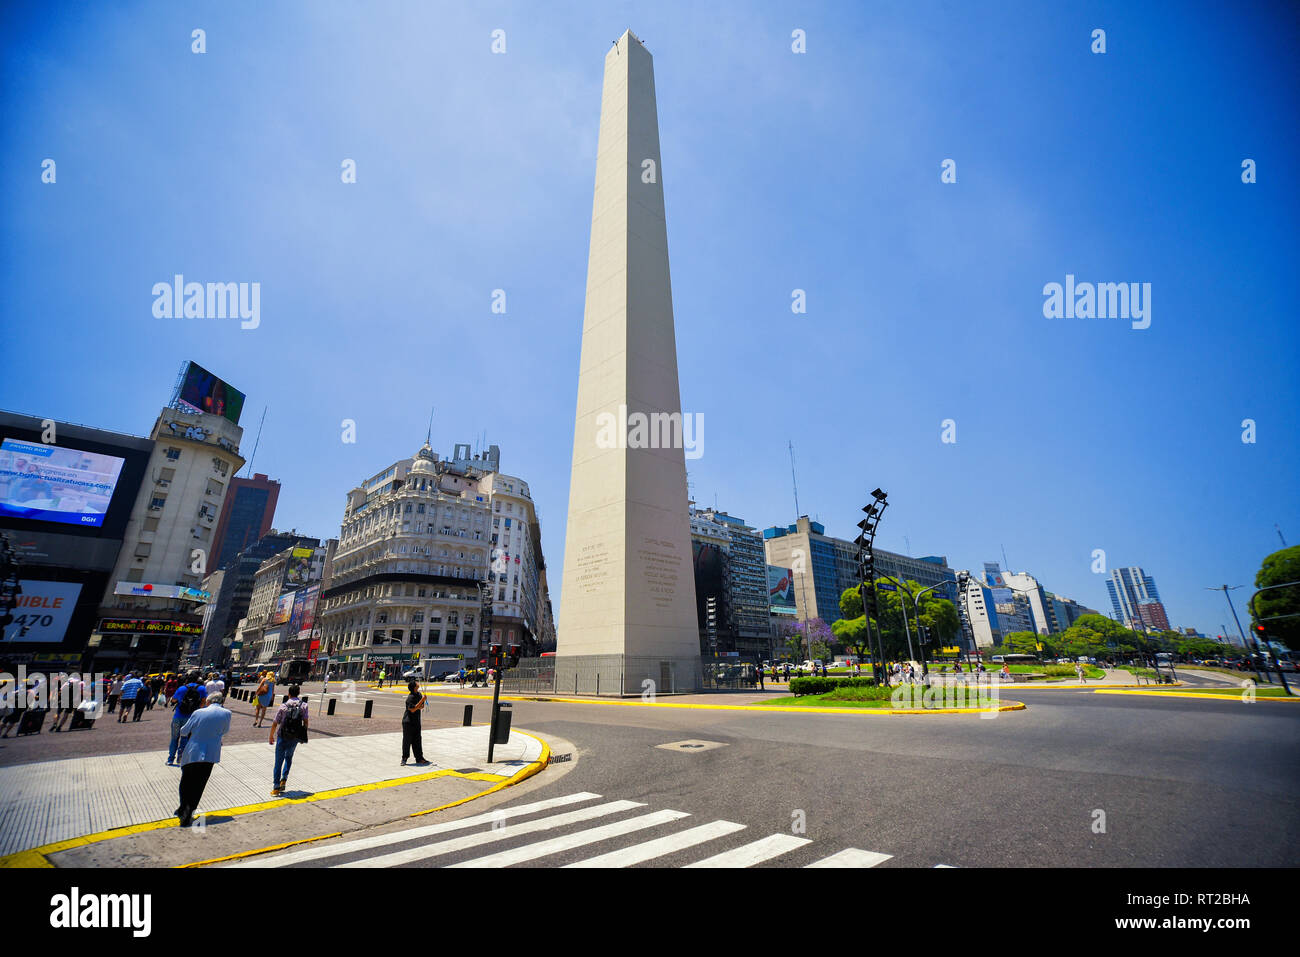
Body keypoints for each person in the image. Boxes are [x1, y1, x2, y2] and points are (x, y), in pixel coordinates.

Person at [175, 693, 232, 827]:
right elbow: (225, 730)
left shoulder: (198, 712)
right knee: (199, 784)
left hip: (194, 751)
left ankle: (183, 807)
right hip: (211, 753)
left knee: (186, 781)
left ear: (208, 701)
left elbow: (184, 731)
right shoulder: (227, 713)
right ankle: (189, 812)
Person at [269, 684, 309, 796]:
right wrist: (302, 736)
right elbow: (306, 722)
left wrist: (271, 736)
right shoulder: (304, 705)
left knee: (278, 761)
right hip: (295, 737)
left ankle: (276, 787)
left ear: (289, 694)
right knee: (289, 757)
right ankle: (284, 779)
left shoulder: (283, 706)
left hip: (282, 736)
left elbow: (275, 722)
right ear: (299, 693)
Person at [168, 672, 208, 766]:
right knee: (185, 738)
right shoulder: (201, 688)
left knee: (174, 738)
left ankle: (170, 759)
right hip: (191, 717)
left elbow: (174, 700)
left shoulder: (181, 688)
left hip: (178, 716)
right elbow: (203, 702)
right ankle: (180, 757)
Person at [400, 679, 429, 766]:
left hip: (416, 721)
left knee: (417, 740)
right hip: (408, 722)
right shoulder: (410, 697)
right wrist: (422, 700)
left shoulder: (419, 694)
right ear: (414, 687)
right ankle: (404, 758)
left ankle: (419, 758)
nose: (418, 683)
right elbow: (412, 709)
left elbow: (421, 706)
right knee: (407, 740)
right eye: (416, 683)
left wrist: (423, 701)